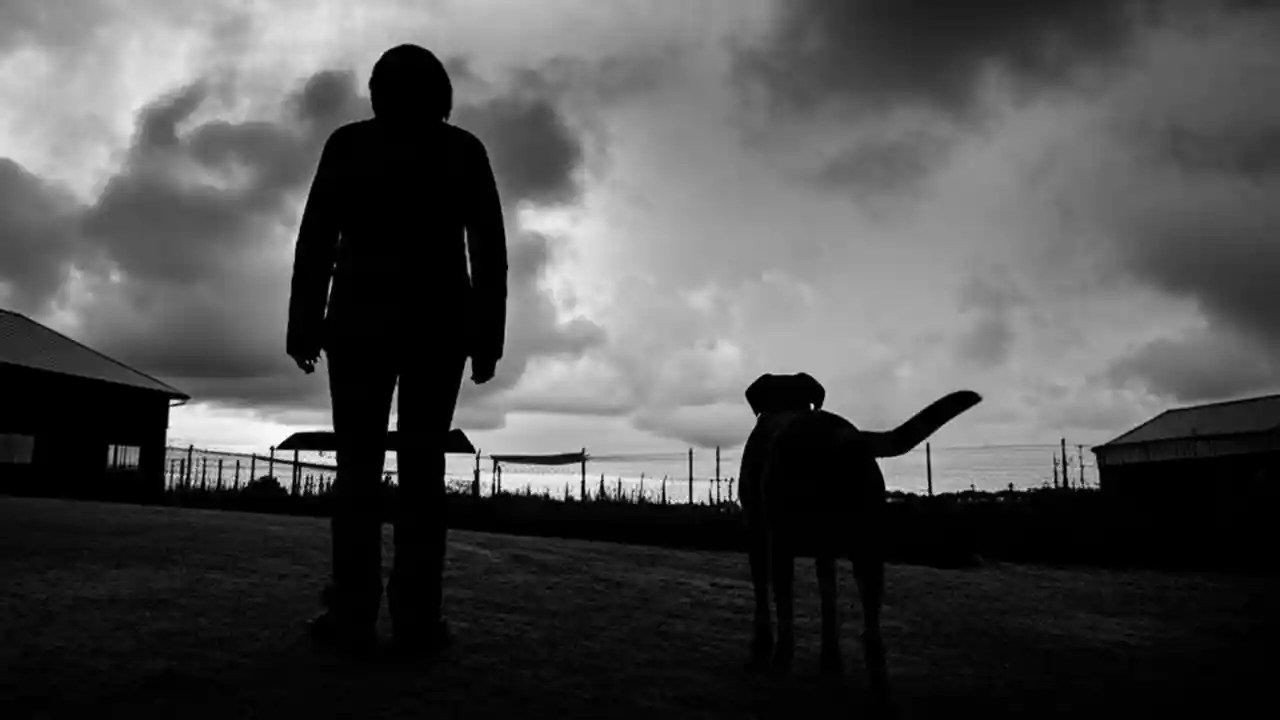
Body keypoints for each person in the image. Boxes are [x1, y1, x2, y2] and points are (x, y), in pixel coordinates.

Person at [286, 44, 508, 657]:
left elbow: (316, 237)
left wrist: (304, 323)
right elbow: (488, 251)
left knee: (359, 471)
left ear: (378, 92)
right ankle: (415, 620)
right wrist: (486, 336)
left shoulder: (351, 145)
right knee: (420, 474)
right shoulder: (461, 150)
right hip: (437, 326)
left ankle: (356, 614)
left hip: (361, 322)